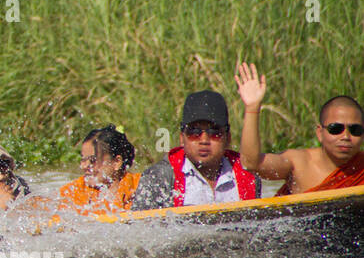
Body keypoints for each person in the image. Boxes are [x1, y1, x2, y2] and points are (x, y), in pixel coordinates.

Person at [235, 62, 364, 195]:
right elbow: (251, 164)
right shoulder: (298, 163)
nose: (346, 137)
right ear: (320, 133)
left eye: (355, 130)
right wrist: (252, 108)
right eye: (336, 129)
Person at [131, 90, 259, 210]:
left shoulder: (248, 174)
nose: (204, 140)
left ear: (228, 138)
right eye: (194, 132)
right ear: (182, 138)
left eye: (214, 132)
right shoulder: (160, 177)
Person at [58, 126, 140, 213]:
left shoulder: (141, 187)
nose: (83, 166)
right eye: (83, 159)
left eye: (92, 160)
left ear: (116, 162)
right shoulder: (74, 191)